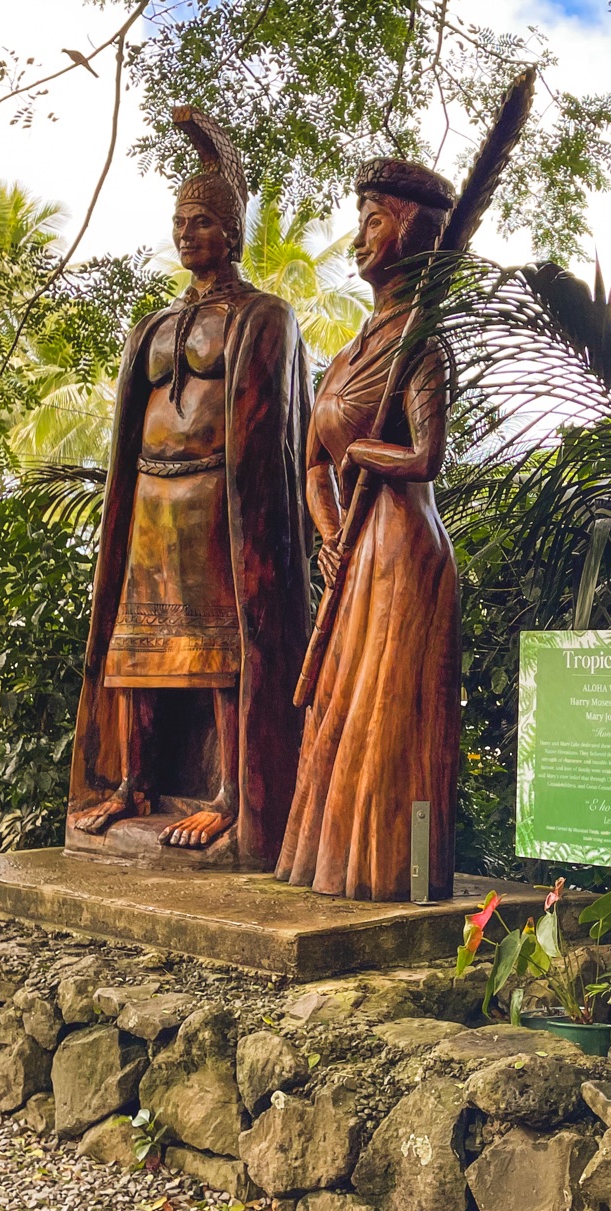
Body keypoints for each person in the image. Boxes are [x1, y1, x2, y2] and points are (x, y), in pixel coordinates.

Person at [67, 108, 310, 868]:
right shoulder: (155, 323)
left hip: (218, 503)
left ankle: (232, 794)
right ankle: (137, 781)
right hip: (148, 503)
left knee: (223, 652)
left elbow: (273, 425)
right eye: (178, 220)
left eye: (201, 220)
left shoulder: (262, 314)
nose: (185, 232)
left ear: (232, 233)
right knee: (136, 650)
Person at [277, 158, 461, 900]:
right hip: (354, 556)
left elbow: (426, 457)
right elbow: (312, 464)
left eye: (374, 221)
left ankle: (397, 871)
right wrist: (328, 533)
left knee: (391, 718)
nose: (358, 239)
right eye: (359, 221)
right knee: (337, 711)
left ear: (411, 232)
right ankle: (330, 862)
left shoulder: (422, 345)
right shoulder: (350, 354)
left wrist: (365, 452)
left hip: (405, 553)